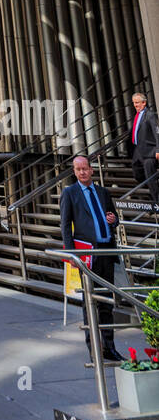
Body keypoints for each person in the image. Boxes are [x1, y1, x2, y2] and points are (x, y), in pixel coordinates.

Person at [60, 155, 123, 363]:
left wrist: (113, 221)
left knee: (107, 302)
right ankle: (94, 349)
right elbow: (65, 226)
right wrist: (71, 254)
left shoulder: (103, 192)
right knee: (90, 302)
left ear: (91, 170)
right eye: (78, 170)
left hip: (106, 252)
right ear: (74, 172)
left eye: (85, 168)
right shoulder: (70, 193)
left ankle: (110, 347)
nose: (82, 172)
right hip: (87, 256)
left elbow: (114, 218)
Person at [130, 92, 159, 206]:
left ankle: (156, 202)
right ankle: (152, 194)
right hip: (138, 151)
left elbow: (157, 132)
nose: (135, 105)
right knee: (137, 173)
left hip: (150, 151)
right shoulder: (137, 115)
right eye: (134, 103)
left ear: (144, 102)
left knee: (150, 177)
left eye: (137, 103)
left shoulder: (150, 115)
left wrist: (158, 149)